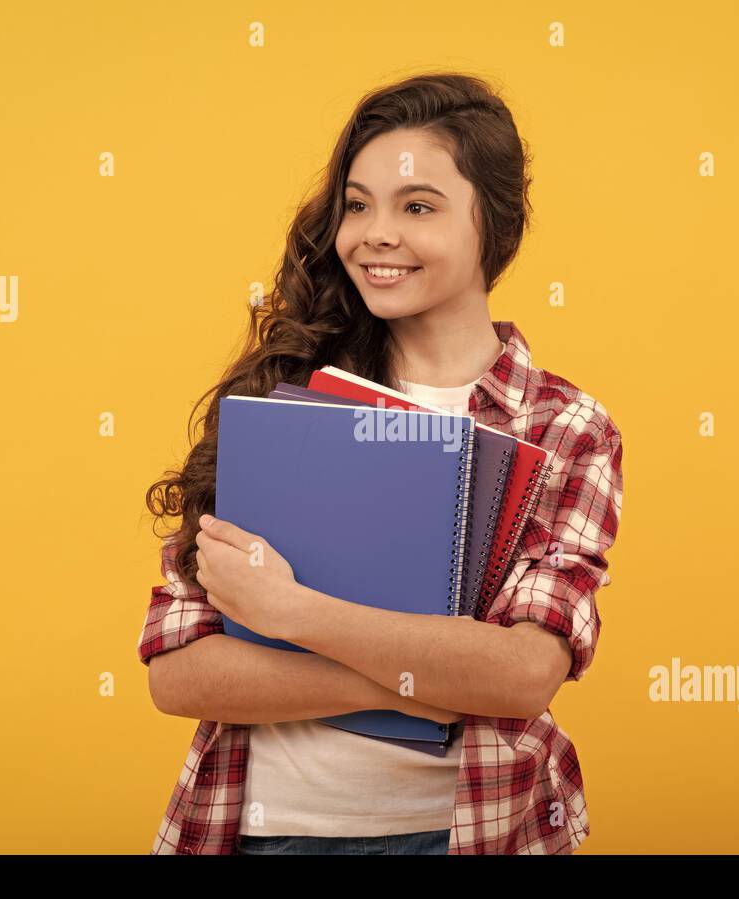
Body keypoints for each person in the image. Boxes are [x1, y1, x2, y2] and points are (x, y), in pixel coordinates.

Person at [140, 72, 624, 855]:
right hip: (266, 832)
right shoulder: (280, 397)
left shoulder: (565, 426)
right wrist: (418, 681)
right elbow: (180, 672)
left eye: (418, 207)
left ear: (491, 227)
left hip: (469, 831)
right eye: (357, 204)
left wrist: (289, 611)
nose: (374, 233)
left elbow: (523, 673)